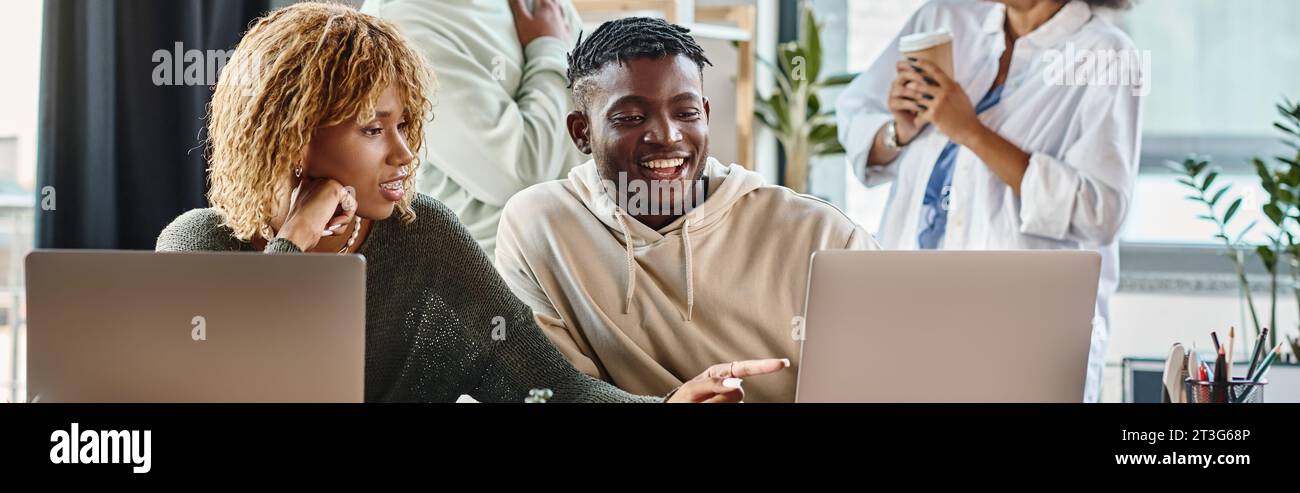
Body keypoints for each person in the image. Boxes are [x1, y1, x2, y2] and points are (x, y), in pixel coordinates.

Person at [156, 2, 787, 403]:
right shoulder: (201, 244)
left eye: (406, 125)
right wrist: (291, 247)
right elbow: (231, 390)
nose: (404, 154)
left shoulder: (421, 235)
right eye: (374, 130)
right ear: (293, 137)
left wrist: (668, 407)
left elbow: (549, 387)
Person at [495, 17, 878, 403]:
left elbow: (890, 381)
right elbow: (552, 391)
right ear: (582, 132)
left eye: (686, 113)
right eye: (630, 117)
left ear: (706, 116)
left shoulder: (823, 236)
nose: (666, 135)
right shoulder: (540, 225)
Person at [835, 0, 1143, 401]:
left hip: (1025, 330)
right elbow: (856, 117)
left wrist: (971, 132)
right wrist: (899, 131)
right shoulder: (944, 19)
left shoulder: (1107, 55)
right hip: (914, 312)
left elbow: (1100, 209)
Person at [362, 0, 588, 259]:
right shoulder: (401, 27)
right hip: (502, 278)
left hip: (590, 246)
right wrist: (550, 48)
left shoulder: (541, 5)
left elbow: (600, 106)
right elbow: (520, 172)